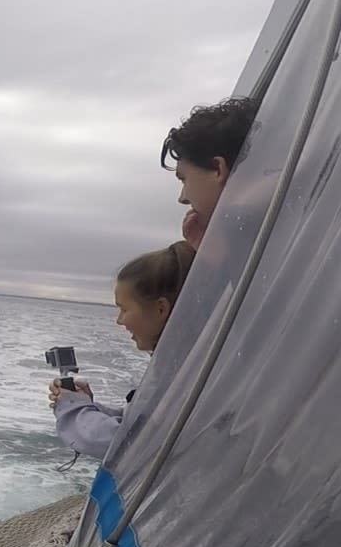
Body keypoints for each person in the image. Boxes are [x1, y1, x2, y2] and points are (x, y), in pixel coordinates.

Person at [49, 241, 196, 458]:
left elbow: (128, 444)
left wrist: (72, 407)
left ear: (161, 308)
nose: (120, 321)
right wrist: (87, 405)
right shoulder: (190, 362)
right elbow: (144, 423)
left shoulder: (183, 374)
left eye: (124, 309)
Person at [163, 96, 260, 246]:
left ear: (217, 169)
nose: (182, 198)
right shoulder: (285, 220)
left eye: (184, 179)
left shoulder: (272, 237)